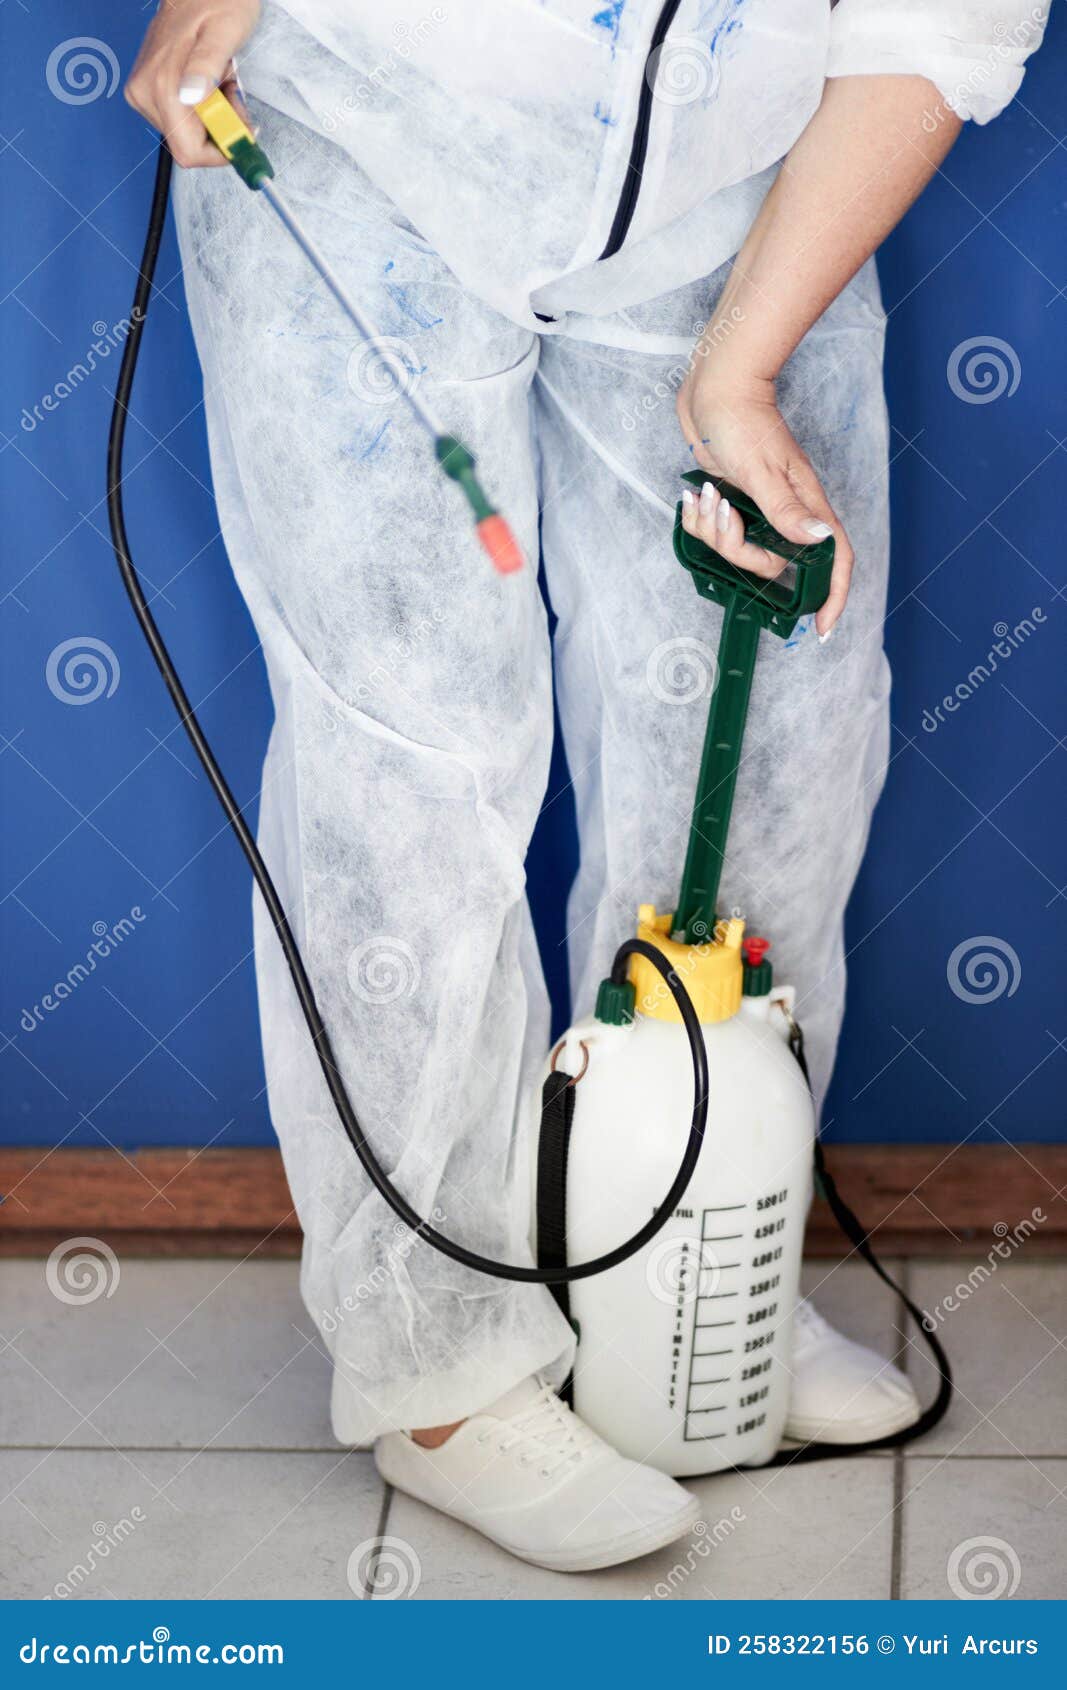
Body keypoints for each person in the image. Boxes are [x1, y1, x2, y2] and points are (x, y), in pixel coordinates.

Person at [125, 0, 1046, 1573]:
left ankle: (682, 1289)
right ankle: (440, 1365)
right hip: (363, 126)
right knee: (412, 749)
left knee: (762, 722)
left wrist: (740, 368)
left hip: (739, 166)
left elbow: (938, 20)